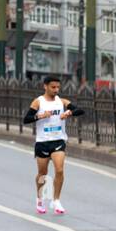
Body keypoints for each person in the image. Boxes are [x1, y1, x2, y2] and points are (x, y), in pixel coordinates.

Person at [23, 76, 83, 215]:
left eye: (58, 87)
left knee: (60, 170)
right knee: (43, 173)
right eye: (53, 87)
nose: (56, 90)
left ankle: (56, 200)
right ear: (45, 86)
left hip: (58, 140)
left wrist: (69, 112)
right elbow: (26, 119)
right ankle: (39, 199)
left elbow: (80, 111)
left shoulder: (61, 102)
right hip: (43, 142)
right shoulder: (38, 102)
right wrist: (41, 116)